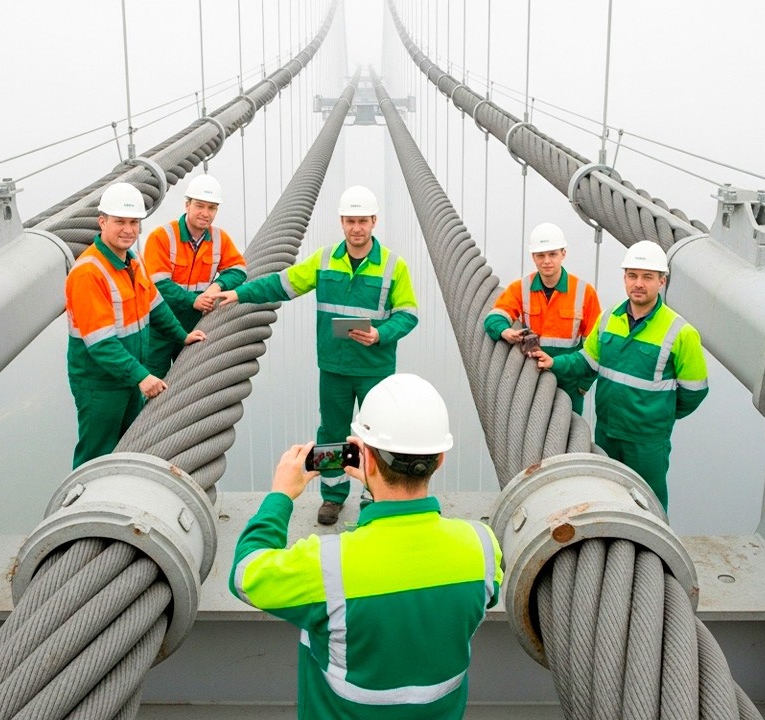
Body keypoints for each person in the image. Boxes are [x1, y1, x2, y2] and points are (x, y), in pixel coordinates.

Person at [229, 374, 502, 720]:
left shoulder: (326, 566)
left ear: (367, 459)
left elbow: (245, 574)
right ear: (440, 460)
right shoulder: (481, 548)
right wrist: (377, 488)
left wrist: (281, 494)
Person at [215, 185, 418, 525]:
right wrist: (239, 294)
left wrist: (381, 334)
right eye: (351, 221)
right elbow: (281, 284)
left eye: (363, 221)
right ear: (341, 222)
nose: (357, 228)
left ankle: (373, 494)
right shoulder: (324, 260)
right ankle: (333, 497)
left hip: (375, 368)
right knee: (332, 434)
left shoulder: (393, 267)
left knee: (376, 434)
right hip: (334, 367)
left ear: (374, 222)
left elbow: (408, 313)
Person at [534, 240, 708, 510]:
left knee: (649, 506)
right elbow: (585, 362)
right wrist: (553, 363)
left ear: (662, 281)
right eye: (632, 276)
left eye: (647, 277)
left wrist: (658, 414)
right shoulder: (608, 319)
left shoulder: (681, 333)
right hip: (607, 432)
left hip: (647, 441)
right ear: (625, 278)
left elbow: (694, 392)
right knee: (607, 501)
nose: (638, 283)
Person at [64, 182, 205, 469]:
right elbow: (101, 343)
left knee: (131, 447)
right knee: (96, 456)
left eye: (134, 222)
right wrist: (142, 376)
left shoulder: (132, 260)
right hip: (100, 384)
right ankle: (83, 510)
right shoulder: (88, 273)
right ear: (102, 222)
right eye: (120, 222)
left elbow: (156, 306)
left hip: (127, 378)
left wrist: (183, 336)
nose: (128, 230)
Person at [483, 222, 601, 414]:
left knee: (566, 439)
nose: (547, 261)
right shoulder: (520, 288)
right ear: (533, 257)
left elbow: (596, 349)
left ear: (563, 254)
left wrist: (582, 386)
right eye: (540, 255)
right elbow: (494, 317)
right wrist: (505, 331)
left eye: (552, 254)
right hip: (532, 381)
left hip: (569, 386)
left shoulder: (584, 293)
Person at [143, 174, 247, 378]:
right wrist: (193, 300)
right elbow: (158, 284)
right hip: (160, 328)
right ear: (187, 205)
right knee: (153, 387)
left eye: (212, 208)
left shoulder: (219, 238)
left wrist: (216, 287)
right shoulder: (162, 237)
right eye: (199, 206)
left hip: (196, 326)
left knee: (188, 385)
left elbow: (238, 269)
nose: (205, 213)